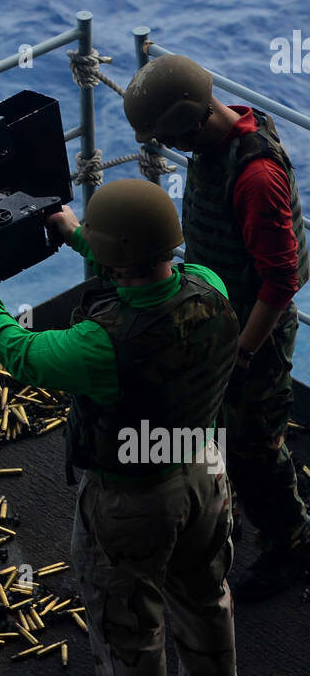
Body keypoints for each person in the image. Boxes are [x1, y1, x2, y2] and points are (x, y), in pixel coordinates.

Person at [0, 179, 239, 676]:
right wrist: (77, 233)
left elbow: (17, 350)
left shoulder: (101, 344)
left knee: (129, 626)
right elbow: (149, 270)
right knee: (205, 592)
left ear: (115, 255)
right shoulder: (212, 287)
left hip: (133, 500)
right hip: (206, 471)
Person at [124, 53, 310, 599]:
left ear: (197, 121)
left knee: (257, 444)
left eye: (176, 139)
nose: (176, 149)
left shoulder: (255, 178)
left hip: (255, 331)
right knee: (222, 432)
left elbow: (279, 282)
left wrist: (245, 355)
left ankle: (292, 545)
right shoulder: (222, 134)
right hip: (223, 319)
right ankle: (228, 524)